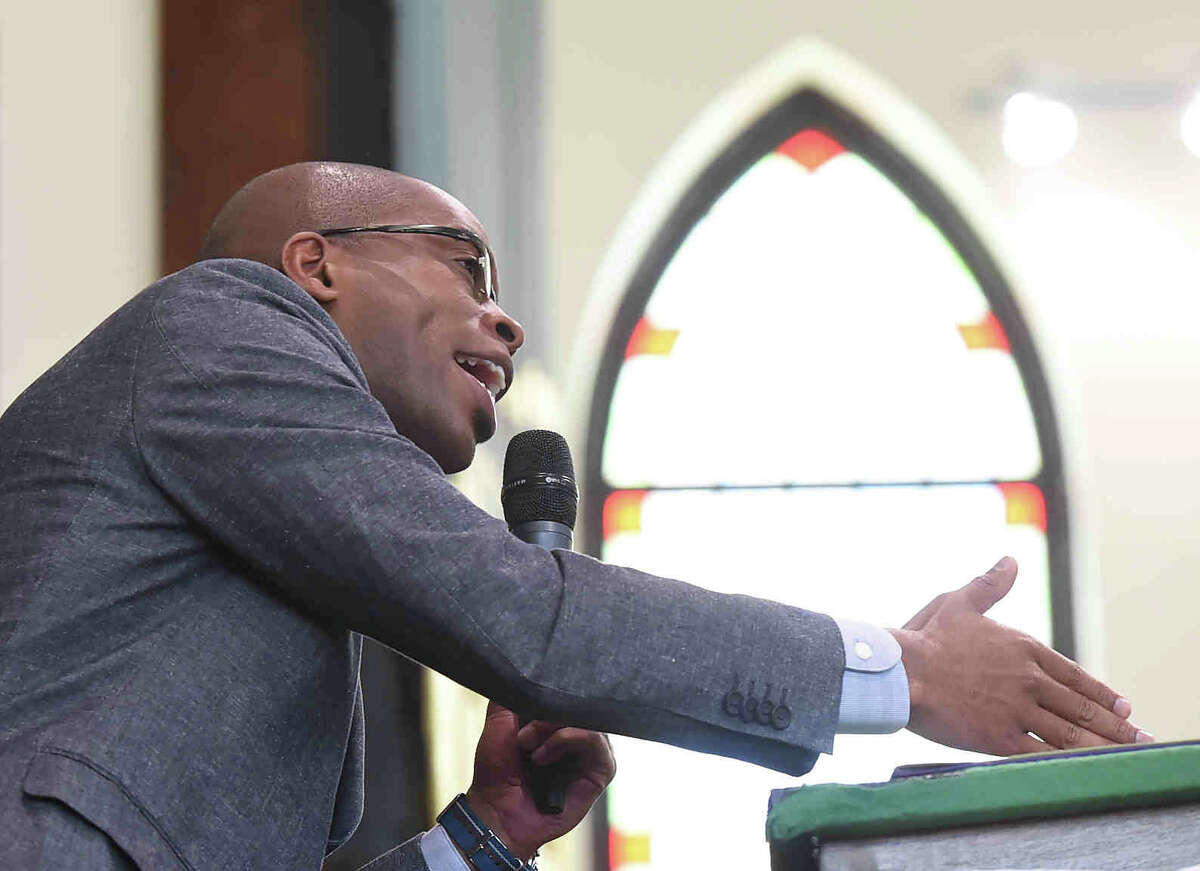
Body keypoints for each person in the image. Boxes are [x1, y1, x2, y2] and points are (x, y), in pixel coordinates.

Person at [0, 162, 1149, 870]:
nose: (505, 326)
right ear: (315, 264)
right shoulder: (222, 324)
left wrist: (484, 837)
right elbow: (516, 611)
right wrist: (901, 672)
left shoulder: (263, 550)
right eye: (466, 269)